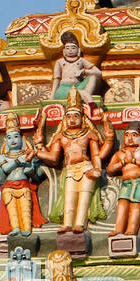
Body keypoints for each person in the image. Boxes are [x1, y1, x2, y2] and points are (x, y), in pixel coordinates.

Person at [36, 88, 113, 234]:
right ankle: (67, 224)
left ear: (82, 118)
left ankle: (79, 224)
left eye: (76, 116)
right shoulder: (60, 137)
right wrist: (37, 151)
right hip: (70, 169)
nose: (72, 119)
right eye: (69, 116)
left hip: (86, 168)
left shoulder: (89, 134)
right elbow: (53, 158)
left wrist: (97, 168)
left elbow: (96, 154)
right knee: (69, 196)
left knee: (84, 196)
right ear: (65, 119)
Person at [0, 115, 46, 235]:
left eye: (16, 136)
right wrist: (19, 161)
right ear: (5, 141)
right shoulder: (2, 157)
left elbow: (36, 172)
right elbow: (6, 169)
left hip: (24, 186)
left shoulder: (27, 153)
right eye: (9, 137)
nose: (13, 140)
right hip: (9, 187)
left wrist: (31, 169)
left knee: (26, 209)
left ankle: (27, 229)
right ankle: (15, 229)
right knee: (12, 210)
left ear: (22, 138)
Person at [106, 120, 140, 237]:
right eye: (127, 135)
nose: (130, 138)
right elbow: (110, 169)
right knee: (122, 204)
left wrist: (134, 161)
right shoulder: (119, 154)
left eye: (134, 135)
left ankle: (131, 229)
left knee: (136, 205)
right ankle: (118, 229)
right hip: (126, 183)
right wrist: (123, 162)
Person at [52, 31, 103, 102]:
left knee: (93, 76)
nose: (70, 50)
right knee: (73, 93)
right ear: (63, 51)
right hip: (64, 88)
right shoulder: (60, 62)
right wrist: (52, 96)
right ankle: (84, 95)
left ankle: (85, 93)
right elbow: (56, 79)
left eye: (73, 48)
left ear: (78, 50)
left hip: (78, 86)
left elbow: (98, 73)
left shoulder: (81, 60)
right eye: (67, 48)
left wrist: (84, 71)